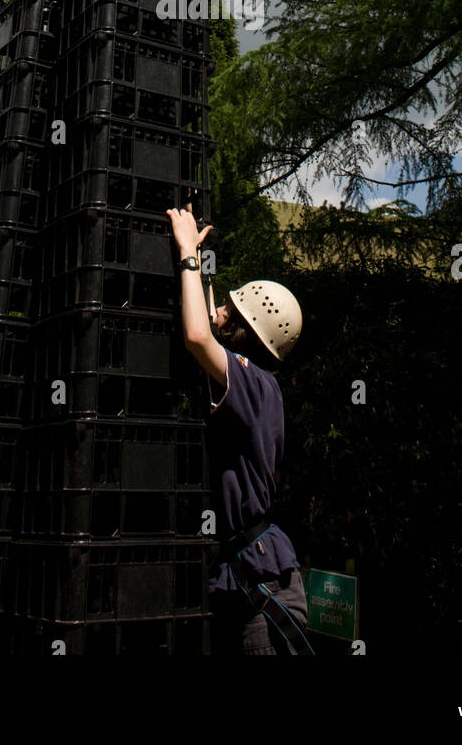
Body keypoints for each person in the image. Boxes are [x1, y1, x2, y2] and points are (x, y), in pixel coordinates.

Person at [166, 206, 312, 655]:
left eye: (233, 309)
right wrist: (199, 258)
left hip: (261, 592)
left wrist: (189, 254)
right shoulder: (257, 384)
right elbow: (208, 321)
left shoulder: (251, 383)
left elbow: (197, 334)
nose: (221, 309)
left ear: (247, 331)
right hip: (249, 577)